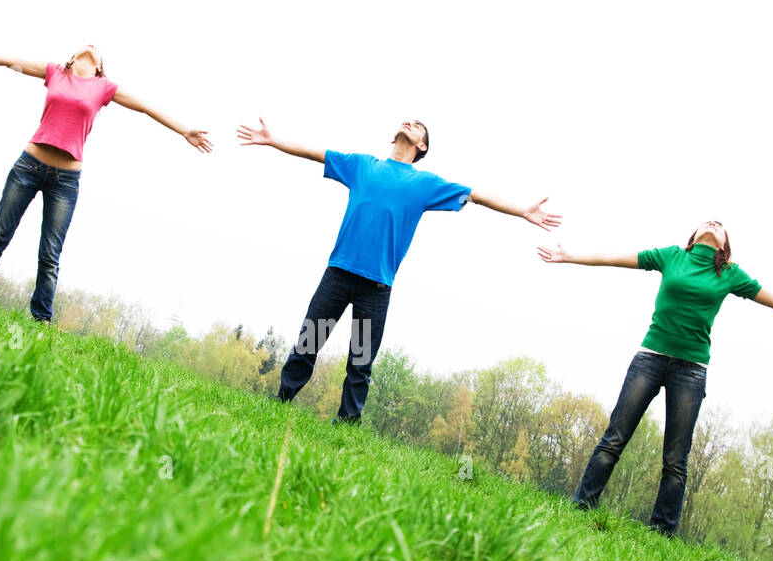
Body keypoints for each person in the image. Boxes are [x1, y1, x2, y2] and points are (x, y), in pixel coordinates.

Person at [537, 221, 773, 536]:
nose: (713, 223)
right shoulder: (672, 256)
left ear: (724, 247)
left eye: (720, 226)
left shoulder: (728, 274)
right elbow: (616, 258)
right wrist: (570, 256)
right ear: (694, 236)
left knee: (676, 458)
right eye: (708, 222)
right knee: (615, 439)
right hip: (650, 358)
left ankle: (661, 533)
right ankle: (582, 506)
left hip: (690, 372)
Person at [237, 117, 561, 423]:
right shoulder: (363, 166)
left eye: (418, 126)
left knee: (360, 362)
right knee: (309, 342)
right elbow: (315, 153)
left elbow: (477, 195)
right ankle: (281, 400)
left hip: (374, 289)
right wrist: (272, 139)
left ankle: (347, 424)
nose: (410, 124)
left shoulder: (424, 184)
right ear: (394, 136)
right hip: (338, 274)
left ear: (422, 147)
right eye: (407, 121)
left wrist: (522, 211)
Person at [0, 41, 213, 323]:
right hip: (28, 166)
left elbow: (146, 108)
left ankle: (41, 319)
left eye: (97, 47)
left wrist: (184, 130)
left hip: (65, 181)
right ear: (72, 58)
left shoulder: (104, 89)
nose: (91, 44)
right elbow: (7, 59)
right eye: (84, 44)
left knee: (50, 253)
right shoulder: (55, 73)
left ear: (100, 67)